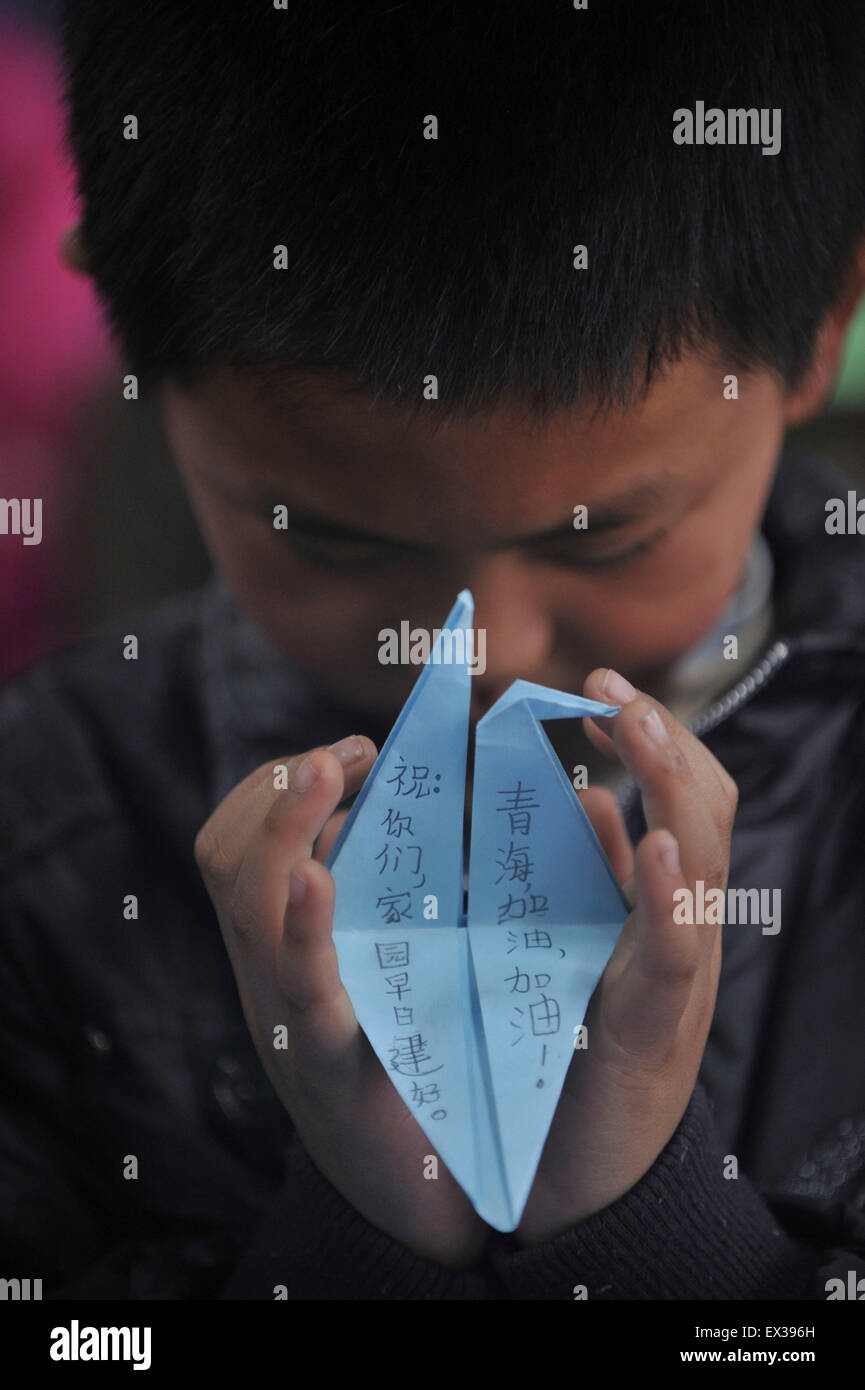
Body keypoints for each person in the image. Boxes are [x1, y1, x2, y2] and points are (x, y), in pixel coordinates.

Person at [2, 0, 865, 1299]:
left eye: (600, 540)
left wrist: (646, 1224)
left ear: (819, 333)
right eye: (336, 542)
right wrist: (359, 1229)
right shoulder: (39, 826)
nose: (474, 653)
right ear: (132, 342)